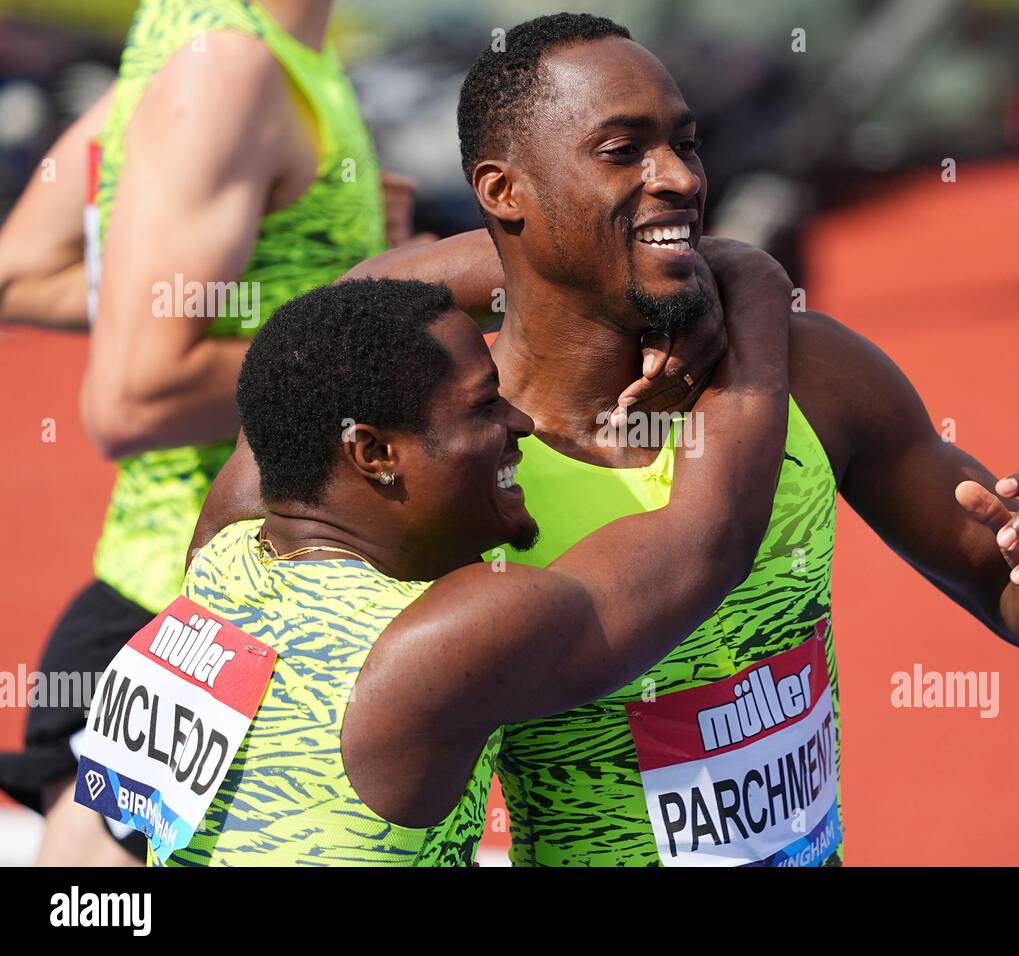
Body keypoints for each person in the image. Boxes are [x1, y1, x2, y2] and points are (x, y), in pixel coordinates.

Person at [198, 13, 1019, 867]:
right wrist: (741, 270)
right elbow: (331, 331)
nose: (682, 176)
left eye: (686, 144)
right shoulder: (440, 475)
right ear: (504, 190)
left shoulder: (814, 374)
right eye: (624, 151)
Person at [147, 260, 788, 865]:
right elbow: (713, 537)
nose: (523, 422)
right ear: (373, 452)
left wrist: (644, 261)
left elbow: (328, 323)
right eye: (485, 406)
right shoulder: (440, 637)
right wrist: (746, 274)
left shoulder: (222, 553)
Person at [0, 0, 402, 866]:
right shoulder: (223, 64)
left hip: (233, 612)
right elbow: (133, 399)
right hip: (198, 624)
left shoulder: (249, 45)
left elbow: (19, 274)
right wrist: (368, 327)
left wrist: (331, 293)